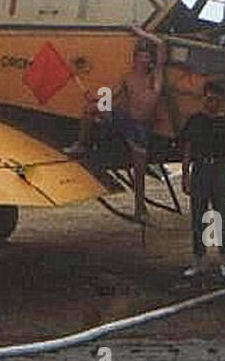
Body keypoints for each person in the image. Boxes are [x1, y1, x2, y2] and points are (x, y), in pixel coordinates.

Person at [69, 29, 165, 219]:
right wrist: (95, 99)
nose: (145, 60)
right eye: (142, 57)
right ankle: (81, 144)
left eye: (148, 57)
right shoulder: (128, 77)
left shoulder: (154, 77)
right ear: (135, 59)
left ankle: (139, 207)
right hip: (125, 119)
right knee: (90, 110)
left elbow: (161, 46)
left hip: (141, 126)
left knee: (139, 167)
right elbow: (111, 96)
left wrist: (139, 32)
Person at [180, 79, 225, 278]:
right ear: (203, 99)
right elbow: (187, 150)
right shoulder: (194, 121)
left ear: (221, 101)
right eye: (208, 99)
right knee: (198, 218)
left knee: (223, 217)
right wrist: (185, 175)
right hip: (200, 170)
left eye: (216, 100)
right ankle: (198, 260)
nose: (212, 103)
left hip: (220, 170)